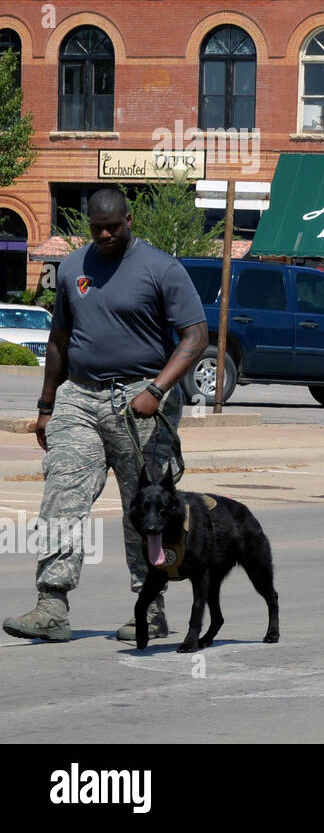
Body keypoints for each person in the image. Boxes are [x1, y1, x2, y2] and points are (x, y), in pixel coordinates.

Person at [2, 188, 208, 643]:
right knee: (62, 492)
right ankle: (51, 605)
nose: (105, 234)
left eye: (113, 226)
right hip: (80, 395)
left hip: (140, 397)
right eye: (97, 227)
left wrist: (158, 389)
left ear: (129, 220)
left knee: (146, 507)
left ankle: (149, 610)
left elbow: (195, 337)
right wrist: (45, 405)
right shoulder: (75, 265)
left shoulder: (161, 268)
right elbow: (58, 339)